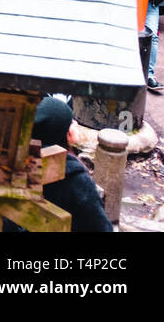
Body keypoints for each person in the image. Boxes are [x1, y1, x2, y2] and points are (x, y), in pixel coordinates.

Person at [31, 97, 112, 232]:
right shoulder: (75, 177)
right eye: (71, 121)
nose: (75, 123)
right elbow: (101, 227)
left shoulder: (24, 164)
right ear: (65, 132)